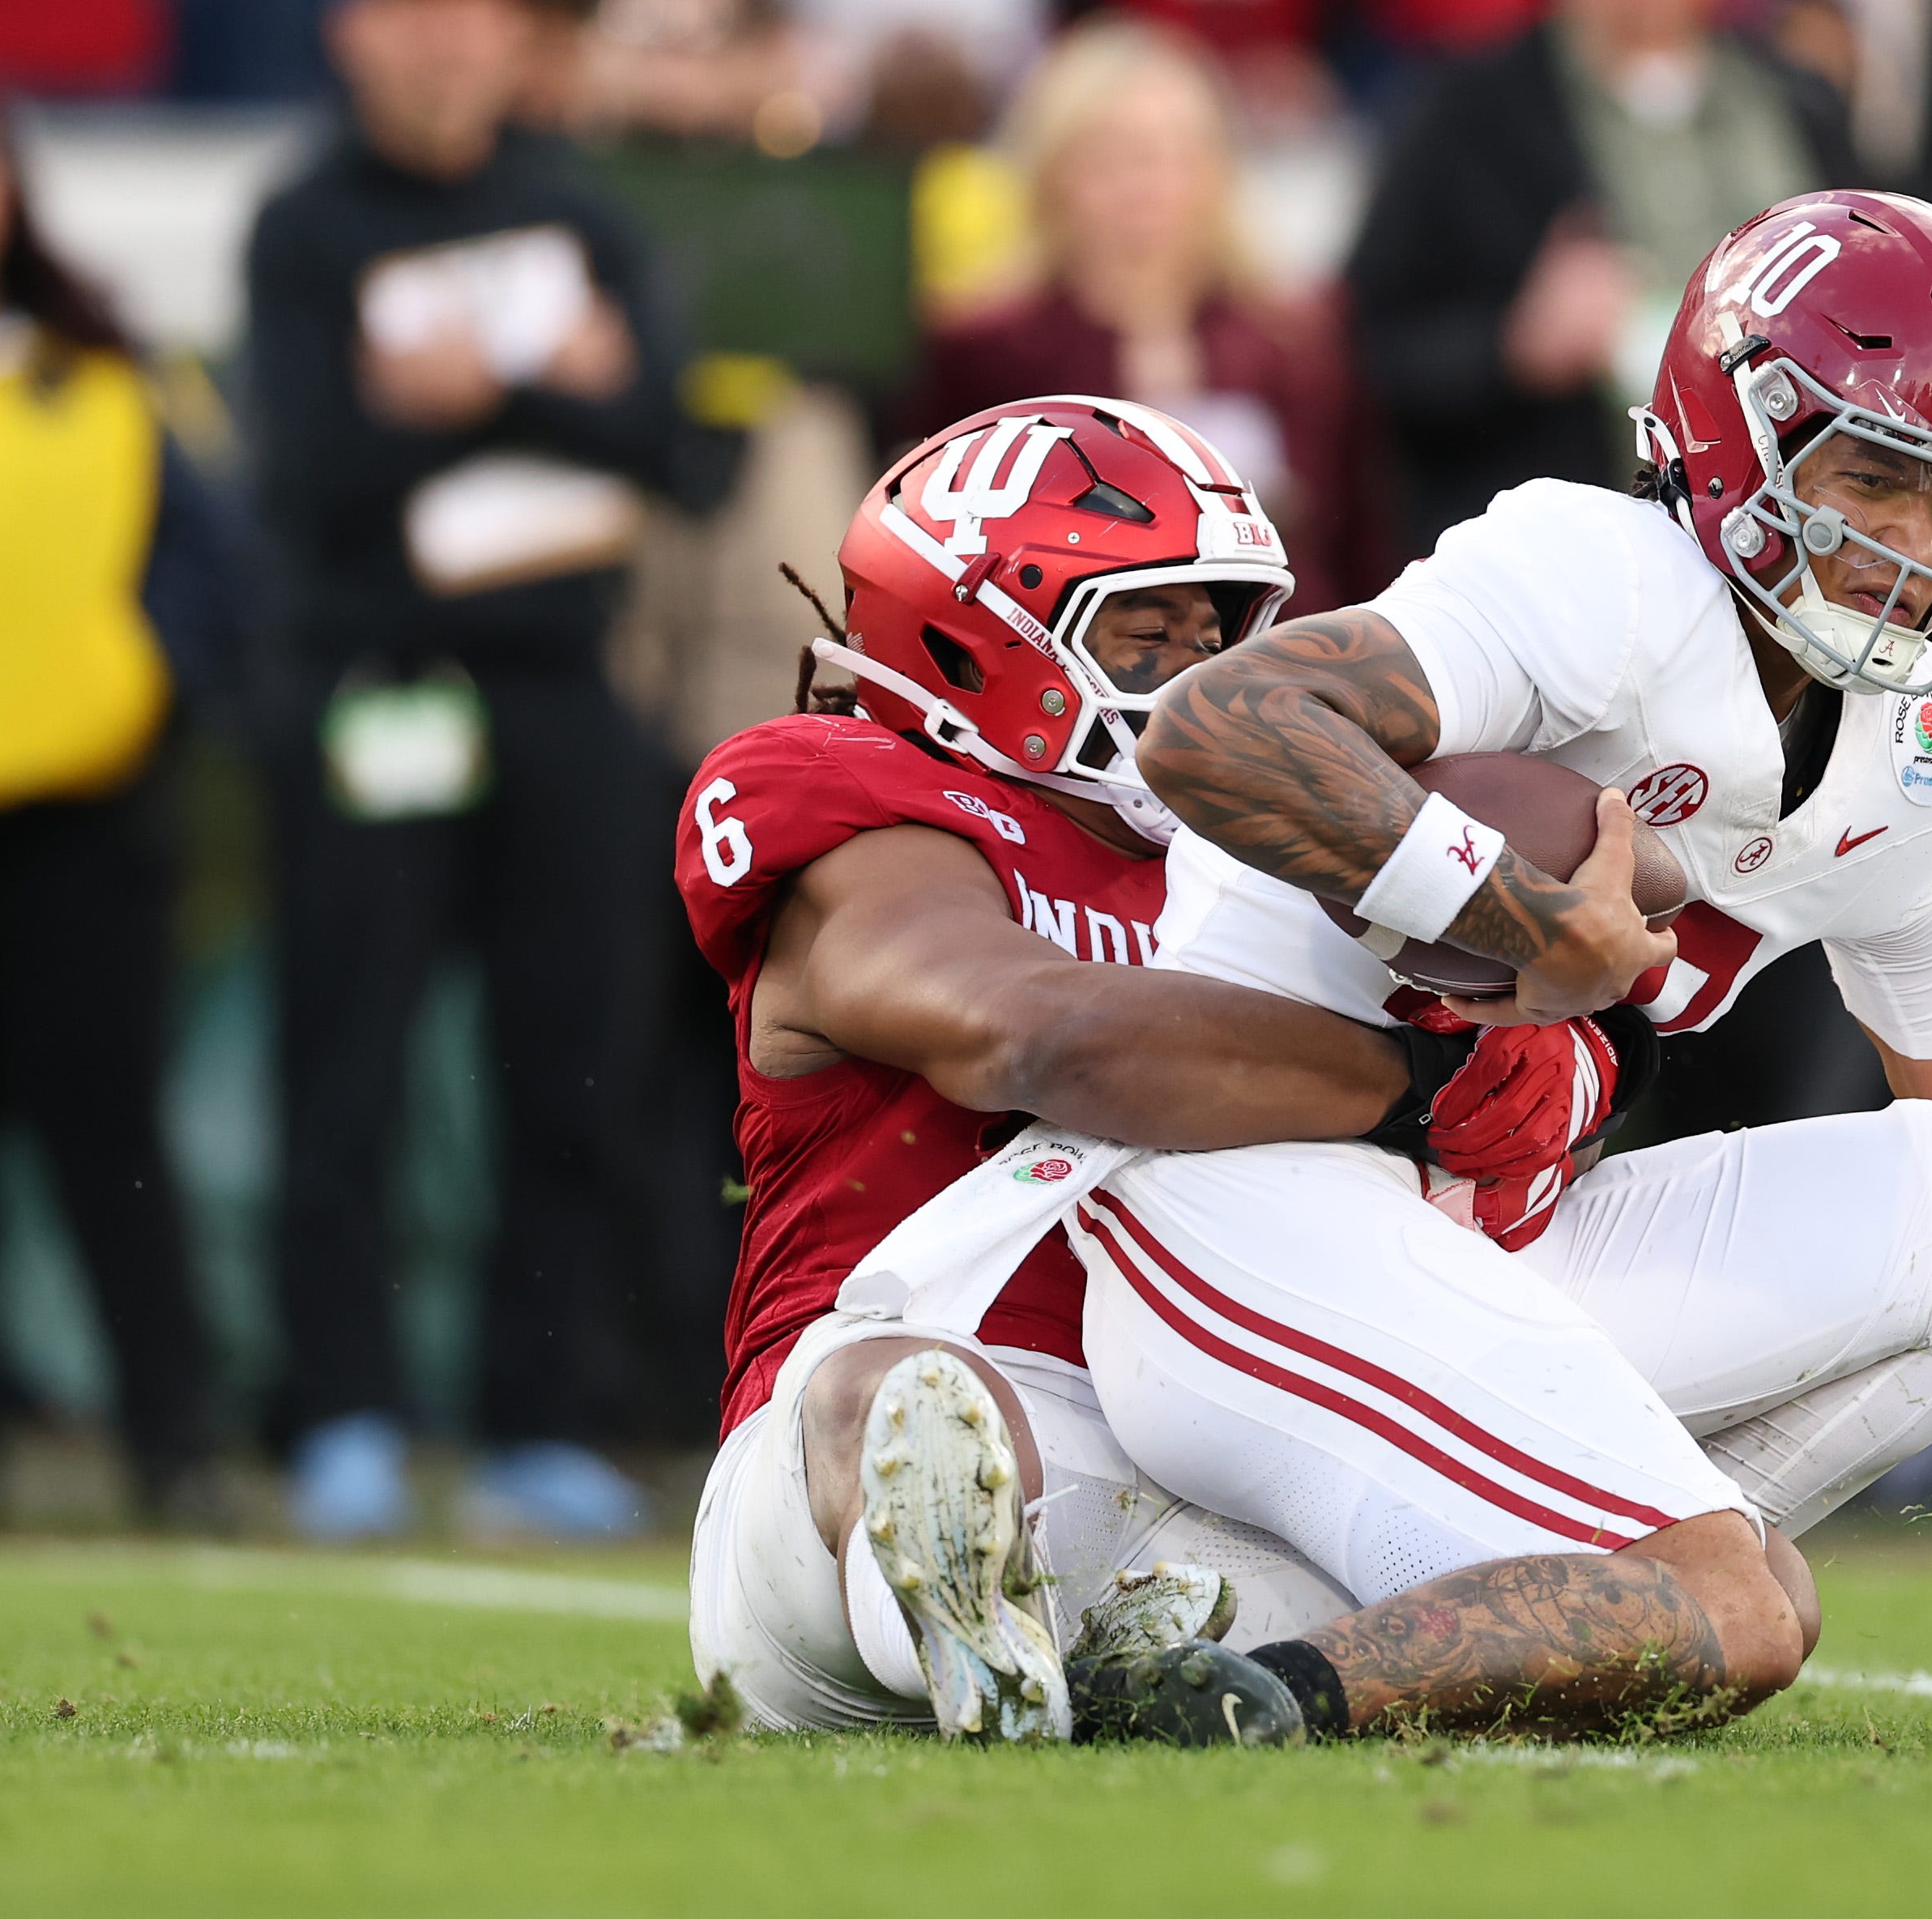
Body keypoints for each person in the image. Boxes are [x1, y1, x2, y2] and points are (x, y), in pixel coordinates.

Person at [1078, 191, 1932, 1739]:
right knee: (1742, 1607)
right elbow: (1218, 723)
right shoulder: (1599, 576)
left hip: (1495, 1229)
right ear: (1738, 438)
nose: (1915, 545)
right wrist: (1523, 918)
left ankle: (1402, 1583)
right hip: (1250, 1204)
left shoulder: (1924, 752)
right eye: (1872, 477)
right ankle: (1262, 1674)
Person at [681, 396, 1631, 1739]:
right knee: (892, 1389)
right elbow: (1029, 1033)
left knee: (1589, 1531)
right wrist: (1410, 1088)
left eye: (1216, 635)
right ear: (969, 629)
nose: (1201, 679)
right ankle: (966, 1615)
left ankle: (1109, 1660)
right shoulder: (859, 805)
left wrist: (1549, 1046)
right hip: (833, 1496)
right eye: (1145, 631)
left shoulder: (1265, 857)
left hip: (1188, 1458)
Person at [246, 0, 714, 1538]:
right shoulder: (305, 223)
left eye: (475, 14)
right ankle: (341, 1412)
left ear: (521, 40)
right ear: (349, 34)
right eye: (412, 13)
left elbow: (666, 442)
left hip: (561, 692)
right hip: (374, 689)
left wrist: (480, 390)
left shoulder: (582, 208)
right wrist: (551, 387)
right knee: (349, 1066)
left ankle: (540, 1419)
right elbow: (311, 467)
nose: (444, 43)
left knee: (573, 1064)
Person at [0, 78, 240, 1529]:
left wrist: (137, 685)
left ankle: (173, 1443)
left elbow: (207, 565)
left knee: (110, 1146)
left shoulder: (107, 375)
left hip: (82, 826)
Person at [899, 18, 1383, 616]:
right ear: (1052, 173)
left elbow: (1358, 539)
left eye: (1172, 155)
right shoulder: (982, 349)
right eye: (1111, 159)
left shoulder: (1298, 337)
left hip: (1288, 648)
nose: (1145, 188)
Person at [1346, 0, 1859, 556]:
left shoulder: (1795, 98)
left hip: (1800, 536)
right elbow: (1369, 347)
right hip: (1569, 551)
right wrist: (1512, 346)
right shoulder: (1468, 115)